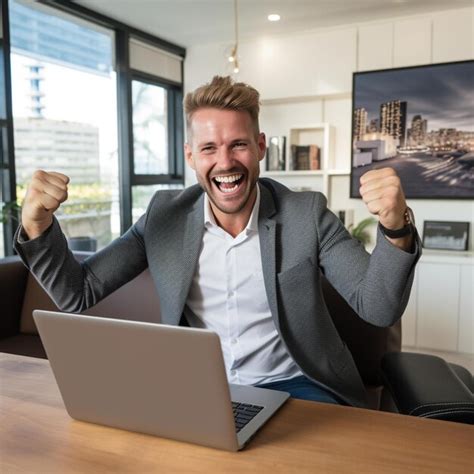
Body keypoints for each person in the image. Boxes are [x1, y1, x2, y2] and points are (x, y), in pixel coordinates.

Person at [15, 76, 420, 408]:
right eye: (209, 148)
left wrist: (395, 228)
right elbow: (77, 293)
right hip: (200, 391)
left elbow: (379, 306)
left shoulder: (306, 214)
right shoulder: (163, 216)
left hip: (300, 385)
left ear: (260, 147)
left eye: (238, 144)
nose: (225, 163)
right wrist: (37, 225)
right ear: (192, 156)